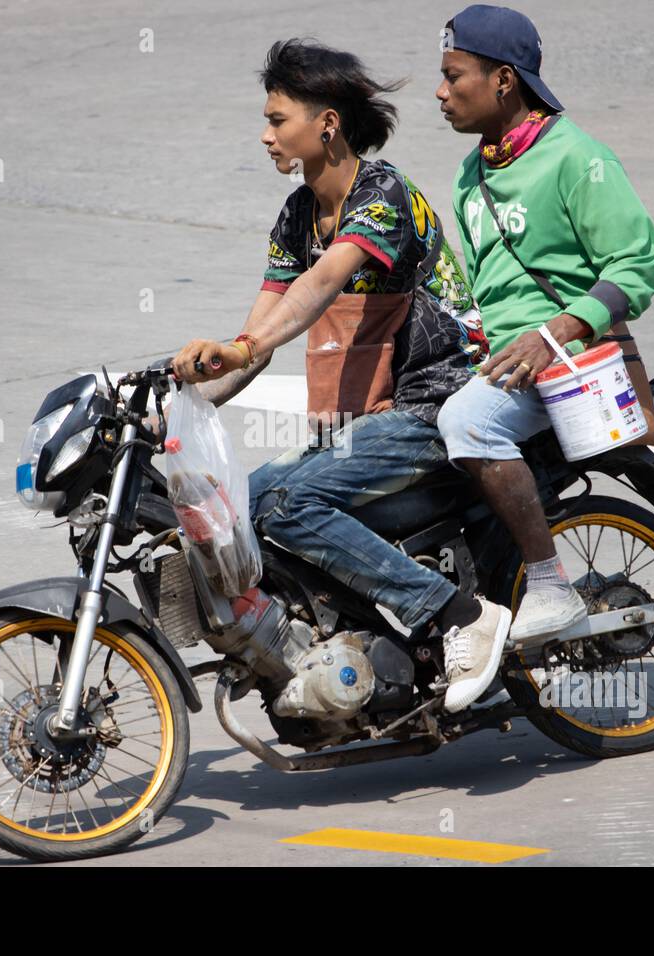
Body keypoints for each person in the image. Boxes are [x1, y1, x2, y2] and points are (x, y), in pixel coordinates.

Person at [171, 38, 509, 713]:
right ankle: (346, 644)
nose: (265, 134)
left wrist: (239, 347)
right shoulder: (298, 215)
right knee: (243, 507)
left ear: (326, 124)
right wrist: (176, 405)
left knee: (293, 505)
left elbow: (319, 287)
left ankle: (459, 616)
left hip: (434, 403)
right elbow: (258, 338)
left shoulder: (380, 194)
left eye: (277, 120)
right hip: (364, 423)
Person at [434, 6, 654, 661]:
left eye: (454, 76)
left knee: (469, 424)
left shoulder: (575, 158)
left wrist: (556, 332)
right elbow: (487, 289)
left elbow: (638, 262)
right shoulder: (468, 174)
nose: (440, 92)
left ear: (504, 80)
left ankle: (548, 582)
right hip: (508, 365)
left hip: (575, 369)